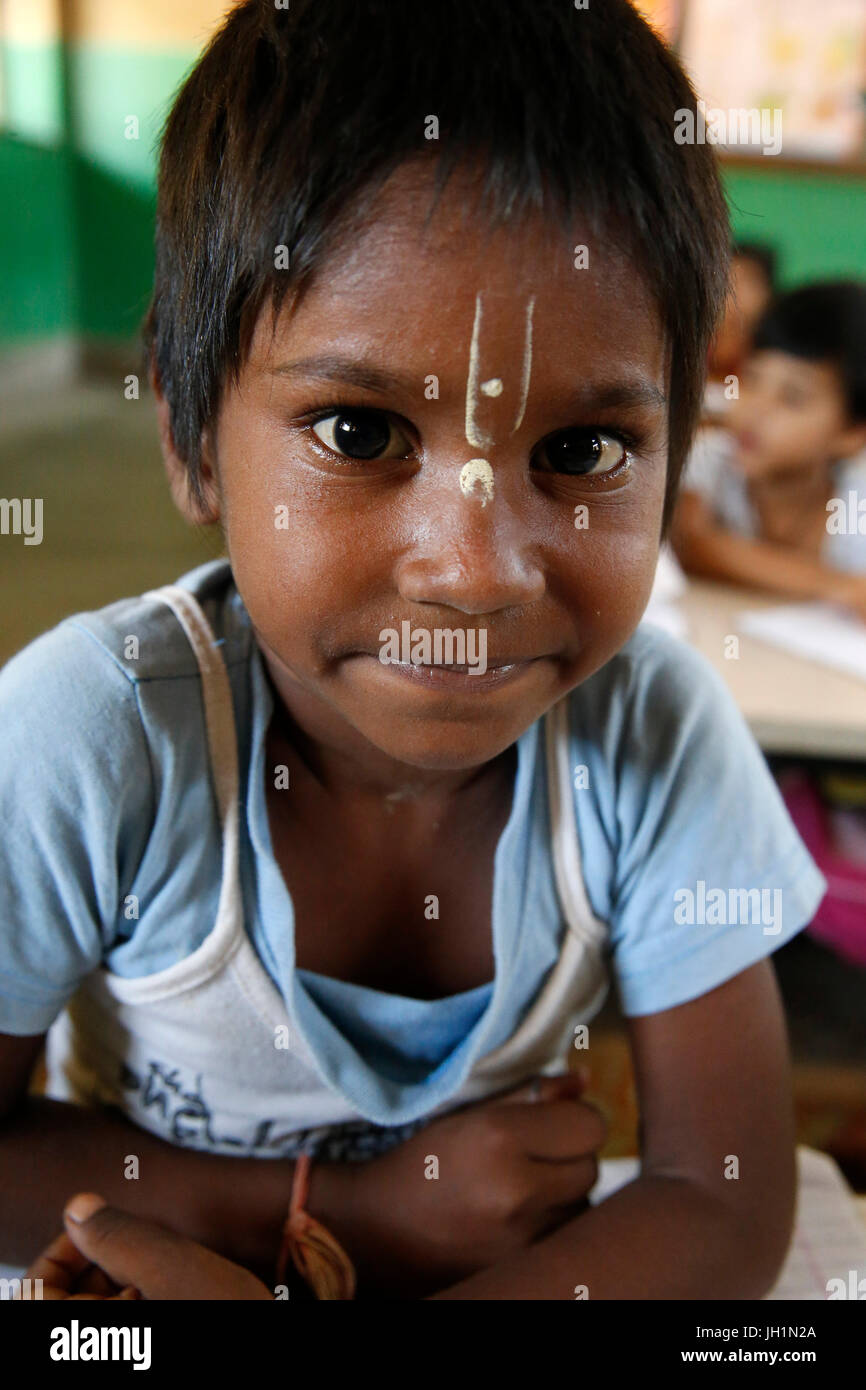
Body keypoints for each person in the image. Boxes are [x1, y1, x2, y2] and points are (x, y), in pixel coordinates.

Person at [0, 0, 825, 1301]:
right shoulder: (90, 731)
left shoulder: (653, 733)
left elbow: (719, 1199)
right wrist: (347, 1215)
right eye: (358, 432)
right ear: (190, 431)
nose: (478, 567)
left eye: (582, 451)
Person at [673, 282, 866, 620]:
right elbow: (691, 544)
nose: (755, 409)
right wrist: (840, 586)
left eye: (792, 397)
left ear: (853, 433)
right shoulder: (708, 459)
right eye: (752, 380)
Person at [703, 242, 776, 423]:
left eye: (746, 281)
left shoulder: (773, 357)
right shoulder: (693, 349)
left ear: (768, 295)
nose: (734, 292)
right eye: (725, 279)